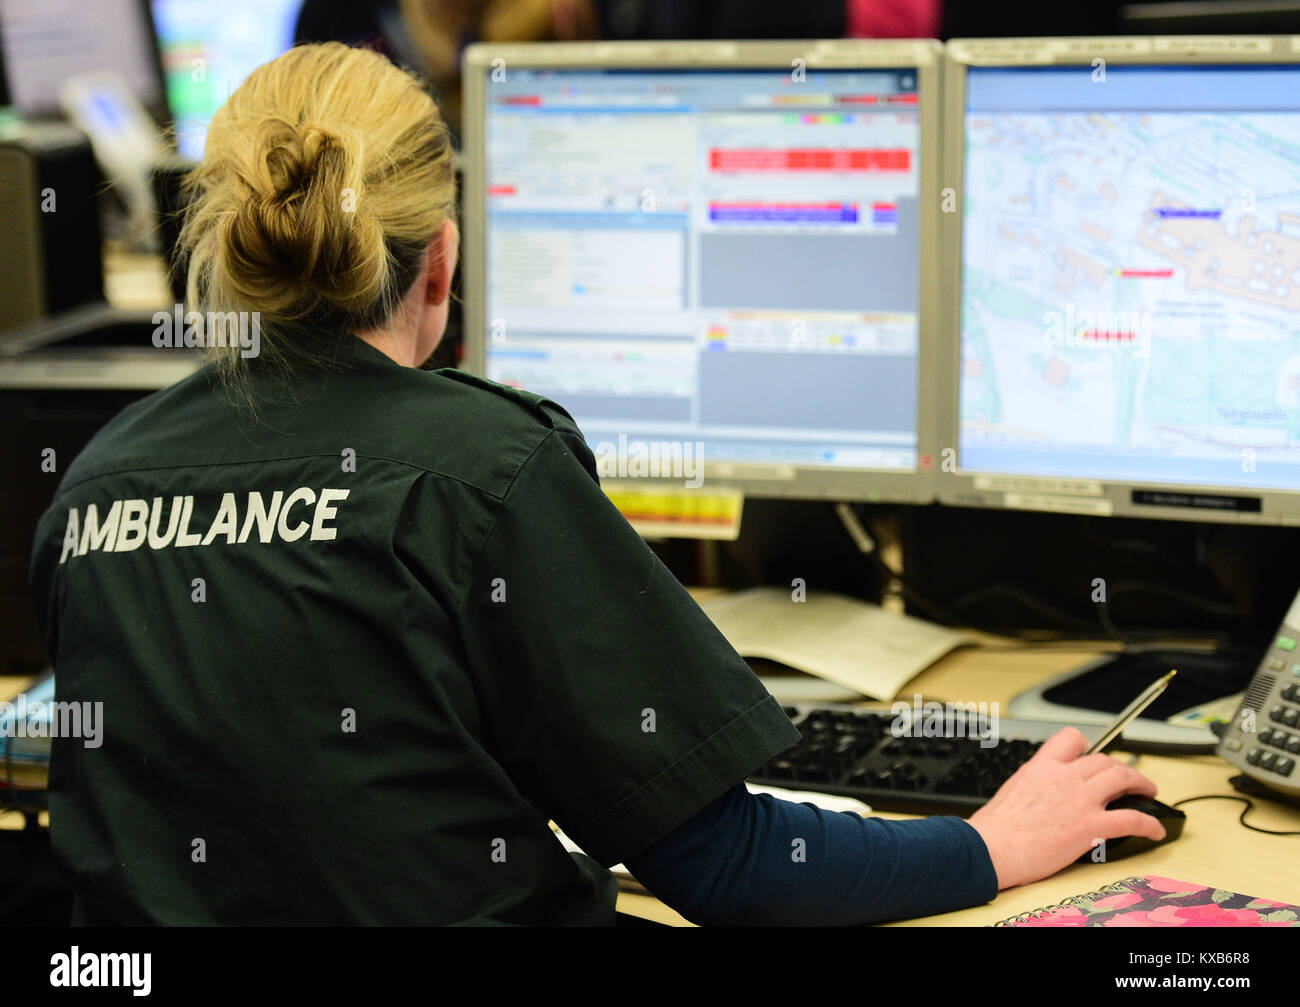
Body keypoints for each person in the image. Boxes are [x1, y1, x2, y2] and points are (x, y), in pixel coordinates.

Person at [28, 42, 1165, 926]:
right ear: (443, 256)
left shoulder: (96, 482)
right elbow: (727, 865)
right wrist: (991, 840)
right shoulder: (486, 467)